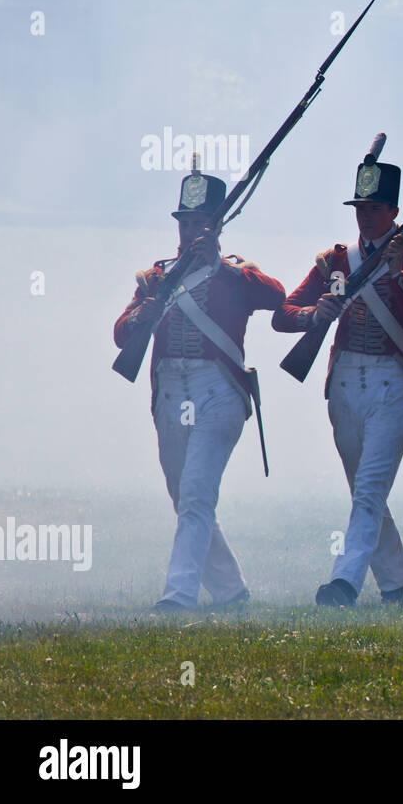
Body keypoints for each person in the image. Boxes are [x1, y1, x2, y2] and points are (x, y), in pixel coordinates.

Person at [114, 158, 284, 611]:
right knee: (185, 498)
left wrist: (222, 266)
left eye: (198, 224)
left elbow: (277, 296)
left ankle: (178, 597)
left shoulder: (235, 272)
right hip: (170, 391)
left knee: (195, 496)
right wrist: (141, 316)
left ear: (215, 227)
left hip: (219, 393)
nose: (189, 232)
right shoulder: (157, 277)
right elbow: (120, 332)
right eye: (184, 223)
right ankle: (231, 594)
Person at [273, 149, 403, 607]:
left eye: (373, 209)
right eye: (360, 209)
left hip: (393, 383)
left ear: (394, 213)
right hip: (344, 381)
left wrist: (396, 275)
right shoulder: (335, 261)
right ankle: (396, 586)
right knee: (363, 489)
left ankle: (344, 583)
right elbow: (282, 314)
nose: (365, 217)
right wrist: (314, 314)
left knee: (368, 489)